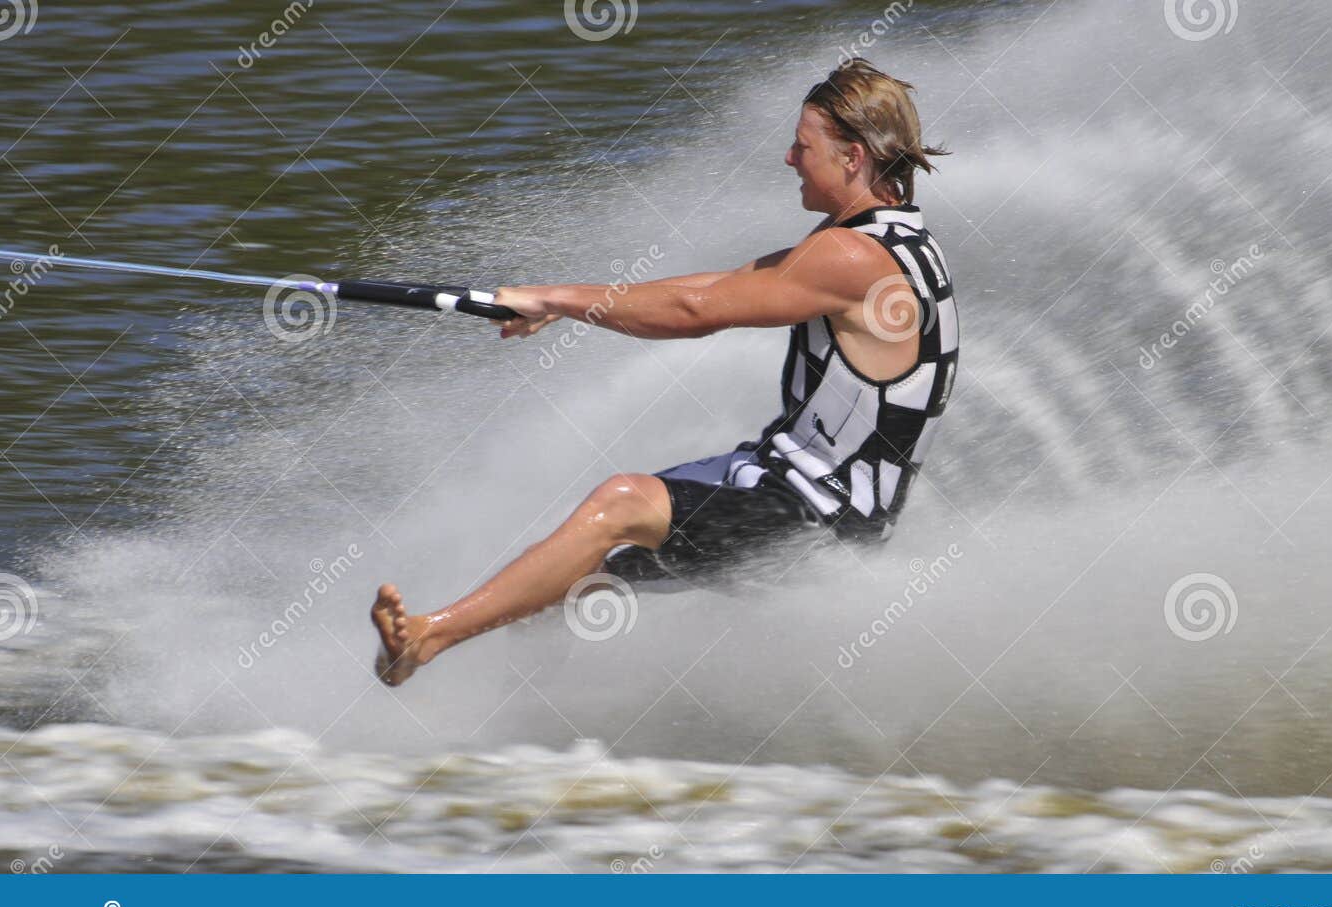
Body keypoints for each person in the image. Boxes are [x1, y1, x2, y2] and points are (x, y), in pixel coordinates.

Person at [371, 59, 958, 686]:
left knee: (619, 505)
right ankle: (536, 730)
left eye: (802, 145)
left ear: (853, 156)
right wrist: (553, 297)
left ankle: (429, 639)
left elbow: (694, 311)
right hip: (785, 488)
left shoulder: (848, 256)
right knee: (573, 578)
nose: (789, 158)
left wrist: (562, 303)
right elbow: (723, 284)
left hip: (819, 525)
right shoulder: (888, 242)